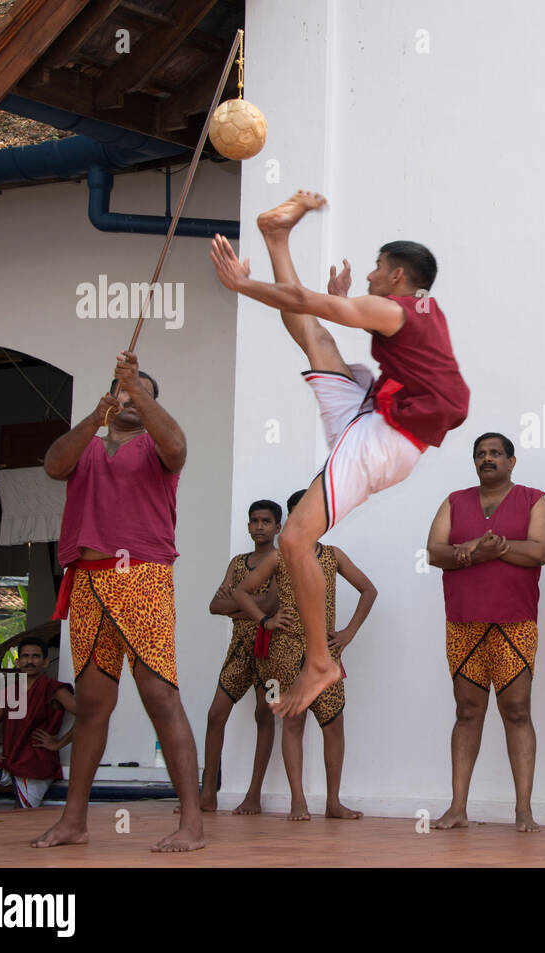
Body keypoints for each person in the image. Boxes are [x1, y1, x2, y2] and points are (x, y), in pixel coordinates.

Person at [210, 190, 469, 718]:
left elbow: (310, 301)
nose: (370, 274)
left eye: (377, 267)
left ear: (398, 275)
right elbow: (312, 312)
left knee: (295, 538)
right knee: (315, 338)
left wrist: (244, 284)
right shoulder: (424, 312)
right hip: (378, 418)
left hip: (382, 441)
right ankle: (277, 237)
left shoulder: (396, 308)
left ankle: (322, 661)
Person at [33, 351, 204, 852]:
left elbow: (179, 447)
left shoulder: (157, 445)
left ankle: (192, 822)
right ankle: (74, 822)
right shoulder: (87, 442)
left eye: (141, 392)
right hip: (86, 580)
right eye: (124, 391)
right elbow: (52, 464)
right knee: (91, 705)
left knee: (159, 696)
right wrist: (94, 415)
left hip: (142, 577)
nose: (131, 399)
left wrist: (141, 390)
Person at [425, 433, 545, 832]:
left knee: (517, 711)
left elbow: (540, 551)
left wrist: (481, 550)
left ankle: (523, 810)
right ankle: (458, 807)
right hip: (464, 621)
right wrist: (471, 550)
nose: (487, 459)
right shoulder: (455, 500)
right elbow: (434, 552)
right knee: (467, 712)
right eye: (480, 454)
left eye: (495, 453)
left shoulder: (534, 499)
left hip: (515, 622)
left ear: (511, 461)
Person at [233, 489, 376, 821]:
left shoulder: (333, 555)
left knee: (334, 724)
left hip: (324, 651)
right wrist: (265, 620)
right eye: (300, 513)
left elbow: (369, 589)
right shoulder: (279, 557)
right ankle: (298, 800)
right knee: (293, 722)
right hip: (284, 650)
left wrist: (349, 632)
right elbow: (242, 591)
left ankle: (333, 801)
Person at [196, 499, 287, 814]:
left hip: (270, 651)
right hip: (239, 651)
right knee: (215, 715)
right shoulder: (237, 563)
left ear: (278, 527)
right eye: (254, 521)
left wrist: (239, 602)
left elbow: (272, 605)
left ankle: (253, 795)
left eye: (265, 521)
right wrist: (249, 602)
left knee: (265, 715)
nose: (259, 527)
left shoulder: (280, 559)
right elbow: (214, 606)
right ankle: (208, 793)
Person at [0, 637, 75, 808]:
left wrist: (58, 743)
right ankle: (13, 789)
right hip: (10, 762)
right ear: (18, 662)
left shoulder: (54, 689)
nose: (30, 661)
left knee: (18, 818)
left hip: (36, 766)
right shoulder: (10, 691)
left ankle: (20, 791)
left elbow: (86, 715)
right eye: (25, 656)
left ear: (45, 662)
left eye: (36, 656)